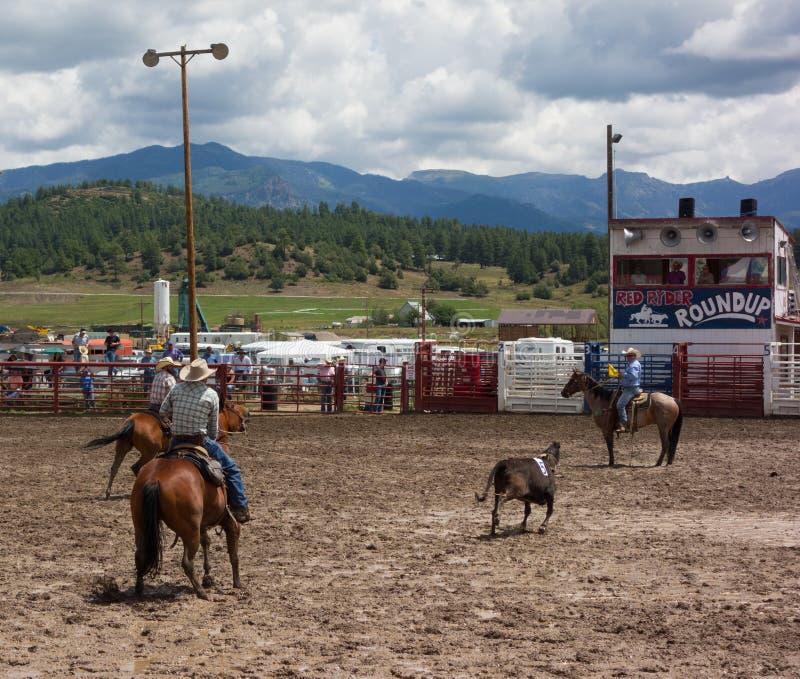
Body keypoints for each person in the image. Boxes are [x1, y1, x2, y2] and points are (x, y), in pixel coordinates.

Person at [159, 358, 251, 524]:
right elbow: (213, 429)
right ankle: (240, 508)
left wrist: (175, 423)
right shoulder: (211, 395)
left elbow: (163, 411)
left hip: (176, 441)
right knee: (232, 470)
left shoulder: (176, 389)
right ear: (205, 377)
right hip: (200, 441)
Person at [616, 347, 643, 433]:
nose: (628, 357)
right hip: (631, 387)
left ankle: (625, 424)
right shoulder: (633, 363)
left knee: (620, 405)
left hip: (630, 389)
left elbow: (633, 376)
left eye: (630, 355)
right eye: (627, 355)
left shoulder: (633, 365)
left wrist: (623, 375)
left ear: (634, 356)